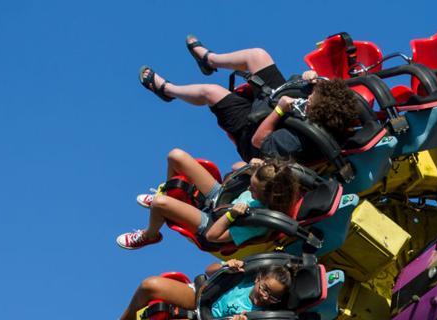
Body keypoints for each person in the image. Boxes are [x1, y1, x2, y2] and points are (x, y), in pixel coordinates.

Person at [137, 39, 361, 166]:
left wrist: (280, 111)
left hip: (255, 132)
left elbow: (259, 141)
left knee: (211, 91)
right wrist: (307, 80)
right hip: (277, 102)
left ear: (316, 112)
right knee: (257, 54)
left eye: (313, 98)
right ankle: (209, 60)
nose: (311, 95)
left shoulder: (296, 139)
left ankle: (167, 90)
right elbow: (316, 91)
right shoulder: (324, 103)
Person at [63, 257, 295, 320]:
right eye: (264, 288)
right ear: (258, 279)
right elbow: (210, 270)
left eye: (272, 297)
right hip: (201, 300)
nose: (265, 297)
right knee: (149, 285)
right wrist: (226, 266)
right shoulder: (246, 278)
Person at [116, 151, 299, 250]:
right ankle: (168, 194)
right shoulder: (264, 183)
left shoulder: (257, 222)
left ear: (268, 197)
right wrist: (251, 168)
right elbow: (234, 168)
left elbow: (214, 236)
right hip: (220, 197)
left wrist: (231, 215)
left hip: (213, 222)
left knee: (159, 204)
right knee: (176, 156)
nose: (250, 189)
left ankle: (150, 234)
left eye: (254, 189)